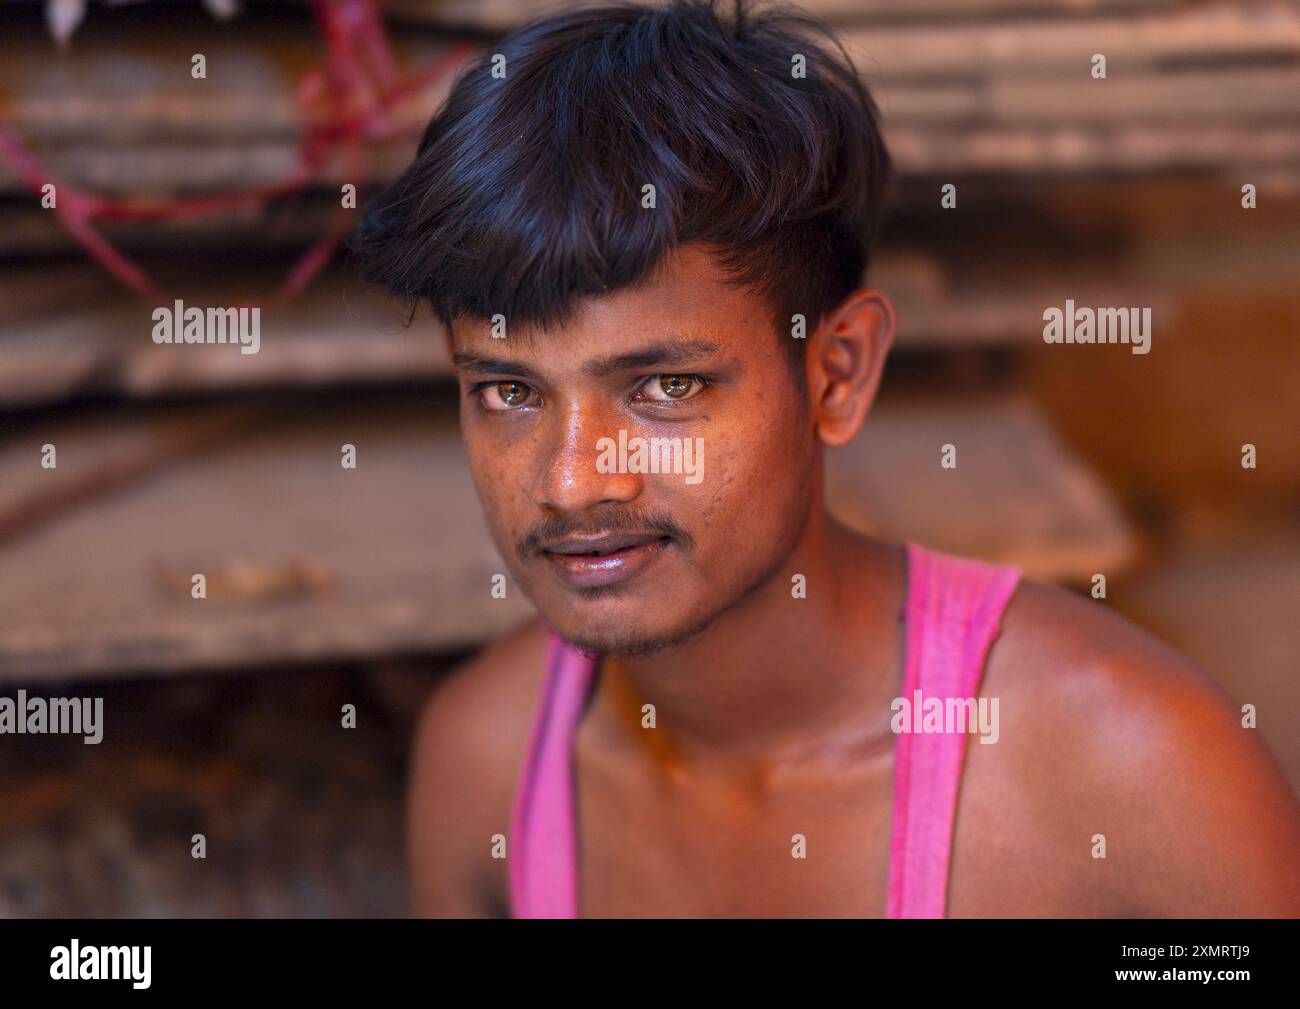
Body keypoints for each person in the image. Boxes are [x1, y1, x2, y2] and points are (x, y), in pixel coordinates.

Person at [349, 0, 1300, 917]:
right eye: (510, 391)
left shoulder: (1134, 774)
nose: (571, 481)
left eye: (667, 387)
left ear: (836, 372)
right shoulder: (491, 765)